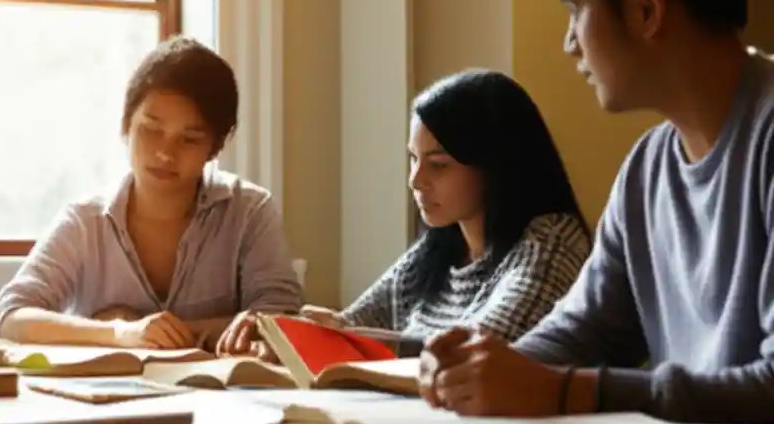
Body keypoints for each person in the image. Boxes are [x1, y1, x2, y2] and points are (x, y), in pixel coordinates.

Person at [421, 0, 774, 424]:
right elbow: (584, 329)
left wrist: (566, 393)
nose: (570, 43)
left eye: (575, 10)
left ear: (646, 8)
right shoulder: (647, 168)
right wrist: (475, 372)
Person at [216, 69, 592, 358]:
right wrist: (287, 331)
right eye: (413, 159)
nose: (415, 180)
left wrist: (345, 337)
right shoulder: (440, 248)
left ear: (495, 166)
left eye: (439, 165)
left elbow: (478, 350)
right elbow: (354, 324)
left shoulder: (549, 241)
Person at [0, 35, 303, 351]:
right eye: (152, 130)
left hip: (220, 397)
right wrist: (119, 333)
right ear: (125, 125)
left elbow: (282, 318)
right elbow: (12, 318)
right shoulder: (85, 222)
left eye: (190, 139)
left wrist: (157, 329)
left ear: (215, 148)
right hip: (105, 396)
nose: (165, 154)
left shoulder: (249, 211)